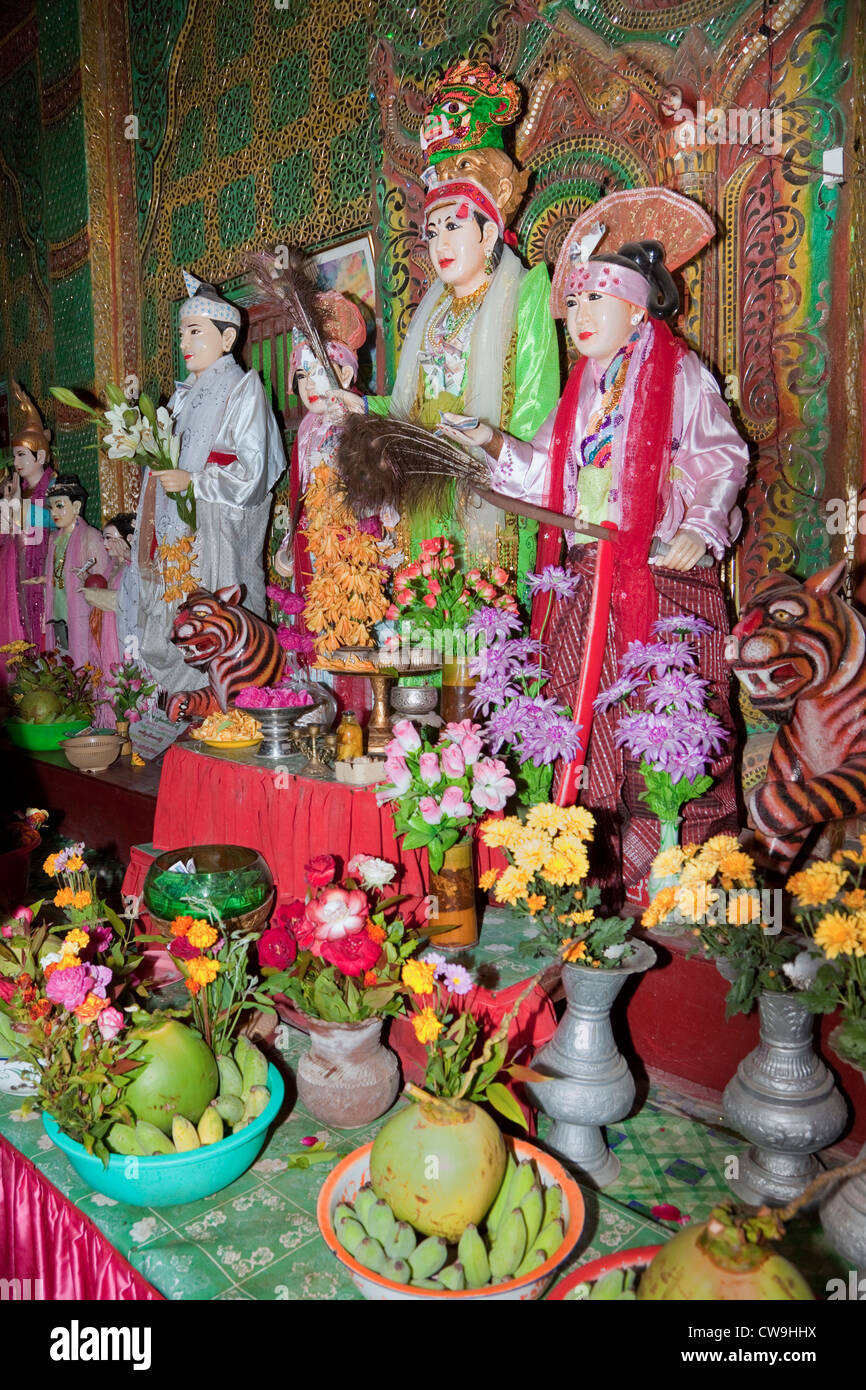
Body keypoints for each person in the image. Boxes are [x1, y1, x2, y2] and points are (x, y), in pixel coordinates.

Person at [443, 188, 750, 900]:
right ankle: (589, 873)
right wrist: (492, 442)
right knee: (584, 719)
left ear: (637, 309)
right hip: (589, 577)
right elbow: (552, 472)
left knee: (667, 720)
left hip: (661, 577)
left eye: (592, 304)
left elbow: (721, 458)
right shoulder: (583, 389)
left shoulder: (679, 375)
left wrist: (699, 530)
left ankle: (681, 877)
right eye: (572, 306)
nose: (577, 319)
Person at [327, 59, 560, 593]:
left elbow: (537, 401)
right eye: (430, 231)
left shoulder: (524, 292)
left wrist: (494, 450)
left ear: (488, 232)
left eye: (454, 225)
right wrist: (365, 409)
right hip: (425, 482)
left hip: (488, 481)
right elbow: (412, 401)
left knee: (483, 633)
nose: (439, 243)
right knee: (428, 616)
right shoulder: (430, 311)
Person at [117, 272, 287, 696]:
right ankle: (183, 710)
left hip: (217, 543)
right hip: (178, 543)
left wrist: (194, 482)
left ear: (227, 339)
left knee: (219, 630)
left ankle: (228, 708)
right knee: (175, 625)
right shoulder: (180, 397)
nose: (184, 342)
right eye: (181, 333)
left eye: (195, 331)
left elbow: (253, 473)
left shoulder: (242, 390)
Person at [44, 475, 110, 671]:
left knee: (83, 666)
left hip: (82, 616)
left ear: (76, 507)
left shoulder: (91, 537)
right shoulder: (53, 540)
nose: (54, 512)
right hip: (57, 613)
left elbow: (102, 584)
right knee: (60, 664)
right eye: (52, 507)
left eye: (59, 506)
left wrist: (87, 580)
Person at [10, 380, 55, 650]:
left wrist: (18, 506)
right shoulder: (20, 490)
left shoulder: (54, 487)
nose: (16, 463)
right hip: (20, 571)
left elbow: (53, 520)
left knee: (44, 630)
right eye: (15, 456)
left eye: (21, 455)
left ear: (39, 455)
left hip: (45, 568)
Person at [83, 512, 135, 725]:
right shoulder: (112, 566)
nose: (105, 543)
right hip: (106, 629)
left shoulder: (136, 568)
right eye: (104, 537)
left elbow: (132, 599)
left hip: (124, 634)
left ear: (129, 539)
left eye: (111, 537)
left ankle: (125, 724)